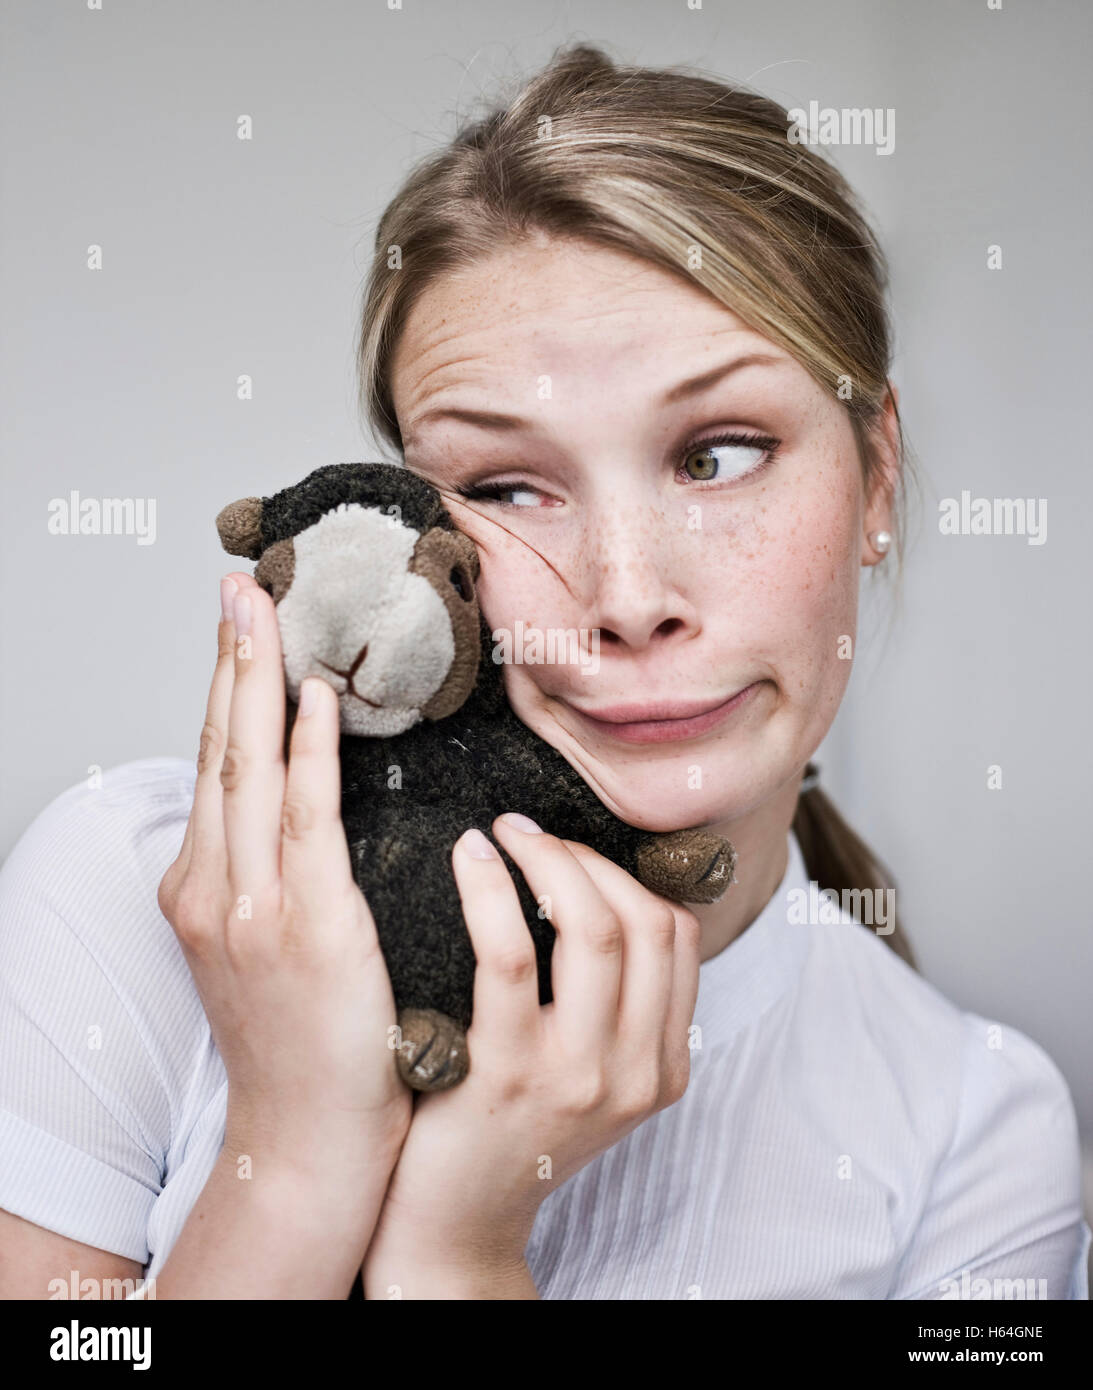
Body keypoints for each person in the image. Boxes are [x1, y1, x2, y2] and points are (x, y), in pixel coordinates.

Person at [0, 43, 1086, 1301]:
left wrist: (459, 1261)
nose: (628, 600)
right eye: (509, 487)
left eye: (717, 456)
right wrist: (289, 1164)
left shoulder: (982, 1141)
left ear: (877, 475)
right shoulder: (123, 897)